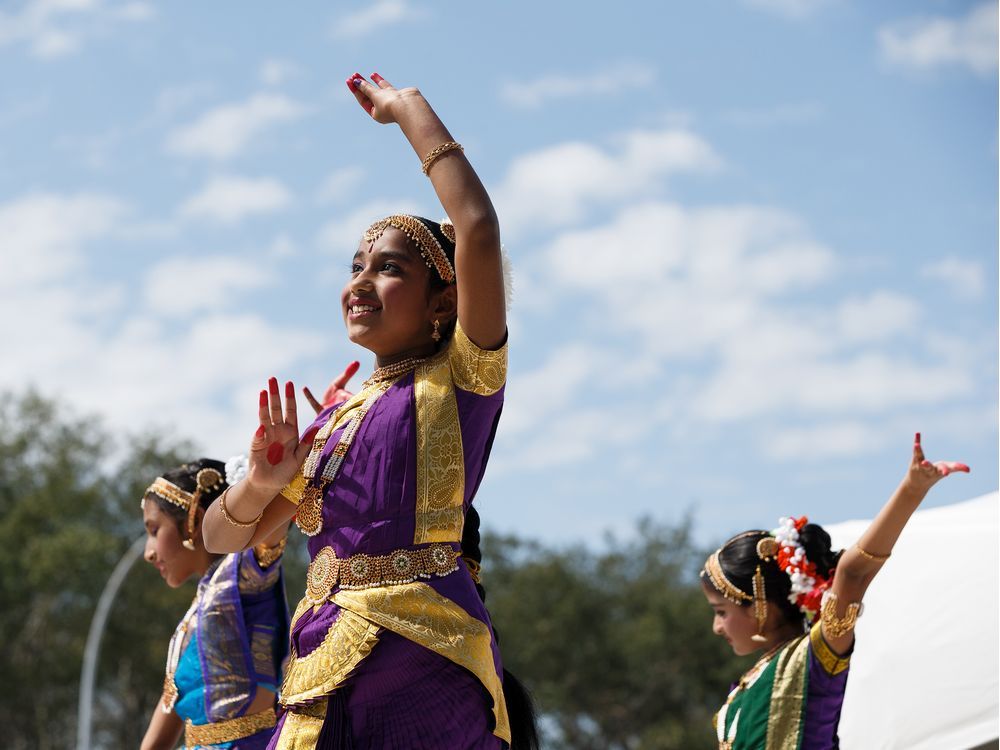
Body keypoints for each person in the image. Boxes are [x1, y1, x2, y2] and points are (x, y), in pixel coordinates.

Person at [202, 72, 537, 749]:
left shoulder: (459, 379)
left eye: (388, 268)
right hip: (319, 664)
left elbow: (477, 229)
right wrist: (260, 485)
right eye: (356, 266)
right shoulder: (330, 424)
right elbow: (219, 538)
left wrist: (408, 111)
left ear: (444, 301)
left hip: (423, 661)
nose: (360, 282)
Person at [701, 434, 968, 749]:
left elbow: (853, 573)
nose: (716, 627)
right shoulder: (749, 684)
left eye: (721, 612)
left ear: (761, 604)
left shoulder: (816, 658)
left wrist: (911, 490)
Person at [139, 458, 290, 750]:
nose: (148, 552)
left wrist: (262, 486)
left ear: (194, 521)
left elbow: (271, 531)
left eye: (154, 530)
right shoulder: (191, 623)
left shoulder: (243, 576)